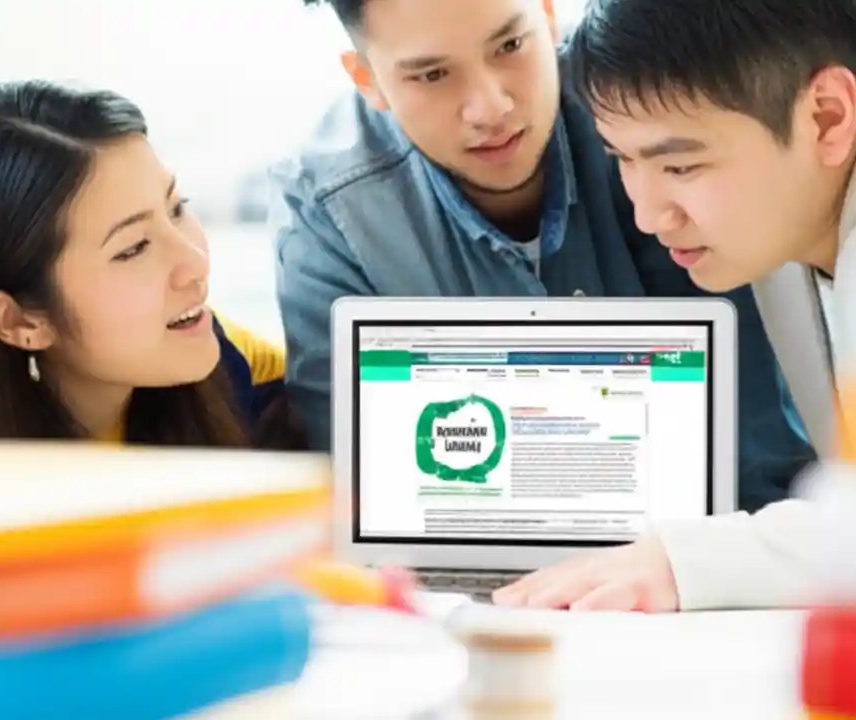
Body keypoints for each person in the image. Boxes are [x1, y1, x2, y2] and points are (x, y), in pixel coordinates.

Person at [493, 0, 856, 612]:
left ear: (828, 117)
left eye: (681, 165)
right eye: (623, 159)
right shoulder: (796, 149)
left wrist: (685, 561)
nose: (649, 215)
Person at [272, 0, 816, 510]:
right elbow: (355, 485)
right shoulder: (330, 213)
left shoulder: (656, 114)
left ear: (550, 15)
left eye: (510, 46)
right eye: (433, 75)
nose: (491, 108)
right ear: (368, 79)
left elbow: (761, 449)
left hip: (710, 551)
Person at [0, 80, 302, 448]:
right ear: (20, 320)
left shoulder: (233, 360)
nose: (195, 263)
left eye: (177, 208)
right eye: (133, 248)